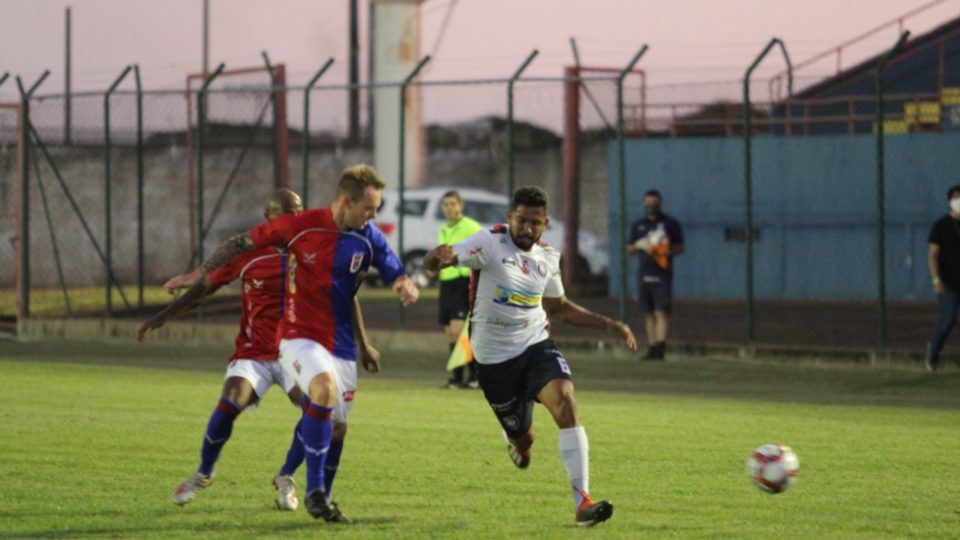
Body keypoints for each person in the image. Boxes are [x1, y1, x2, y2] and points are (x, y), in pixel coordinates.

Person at [163, 165, 419, 523]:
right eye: (370, 207)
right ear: (347, 201)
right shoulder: (301, 226)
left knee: (338, 428)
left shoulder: (367, 236)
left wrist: (402, 281)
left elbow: (391, 263)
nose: (374, 215)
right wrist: (199, 273)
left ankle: (323, 499)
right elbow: (241, 242)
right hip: (299, 337)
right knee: (322, 391)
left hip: (341, 345)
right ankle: (311, 490)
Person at [423, 186, 637, 527]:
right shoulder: (489, 243)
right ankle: (518, 445)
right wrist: (439, 257)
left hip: (535, 344)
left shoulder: (548, 257)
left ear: (545, 223)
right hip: (494, 361)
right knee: (525, 436)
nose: (527, 229)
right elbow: (439, 260)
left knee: (566, 403)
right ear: (509, 217)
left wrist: (609, 324)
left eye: (535, 223)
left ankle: (582, 502)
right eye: (521, 220)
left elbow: (558, 307)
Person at [625, 189, 684, 361]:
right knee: (648, 312)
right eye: (648, 204)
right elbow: (629, 248)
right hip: (644, 273)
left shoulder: (669, 224)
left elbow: (680, 247)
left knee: (661, 312)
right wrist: (642, 246)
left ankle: (660, 348)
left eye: (655, 204)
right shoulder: (639, 225)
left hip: (663, 274)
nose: (651, 207)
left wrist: (664, 250)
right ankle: (651, 348)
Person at [435, 190, 482, 388]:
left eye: (453, 204)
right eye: (446, 204)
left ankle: (475, 375)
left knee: (458, 330)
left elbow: (481, 250)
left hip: (462, 282)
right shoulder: (443, 229)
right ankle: (457, 378)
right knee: (450, 332)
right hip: (446, 284)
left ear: (461, 205)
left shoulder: (471, 227)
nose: (449, 208)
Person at [926, 184, 960, 372]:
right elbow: (932, 255)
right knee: (948, 319)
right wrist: (936, 279)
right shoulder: (941, 226)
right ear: (949, 201)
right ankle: (933, 351)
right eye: (956, 198)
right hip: (948, 282)